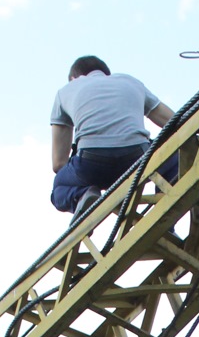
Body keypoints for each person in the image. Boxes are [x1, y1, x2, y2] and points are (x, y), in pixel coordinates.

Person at [50, 55, 175, 217]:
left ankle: (83, 195)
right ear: (107, 74)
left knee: (59, 187)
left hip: (91, 164)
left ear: (74, 78)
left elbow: (58, 163)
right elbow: (174, 122)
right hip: (138, 159)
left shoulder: (66, 91)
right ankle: (167, 193)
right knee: (172, 154)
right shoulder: (130, 82)